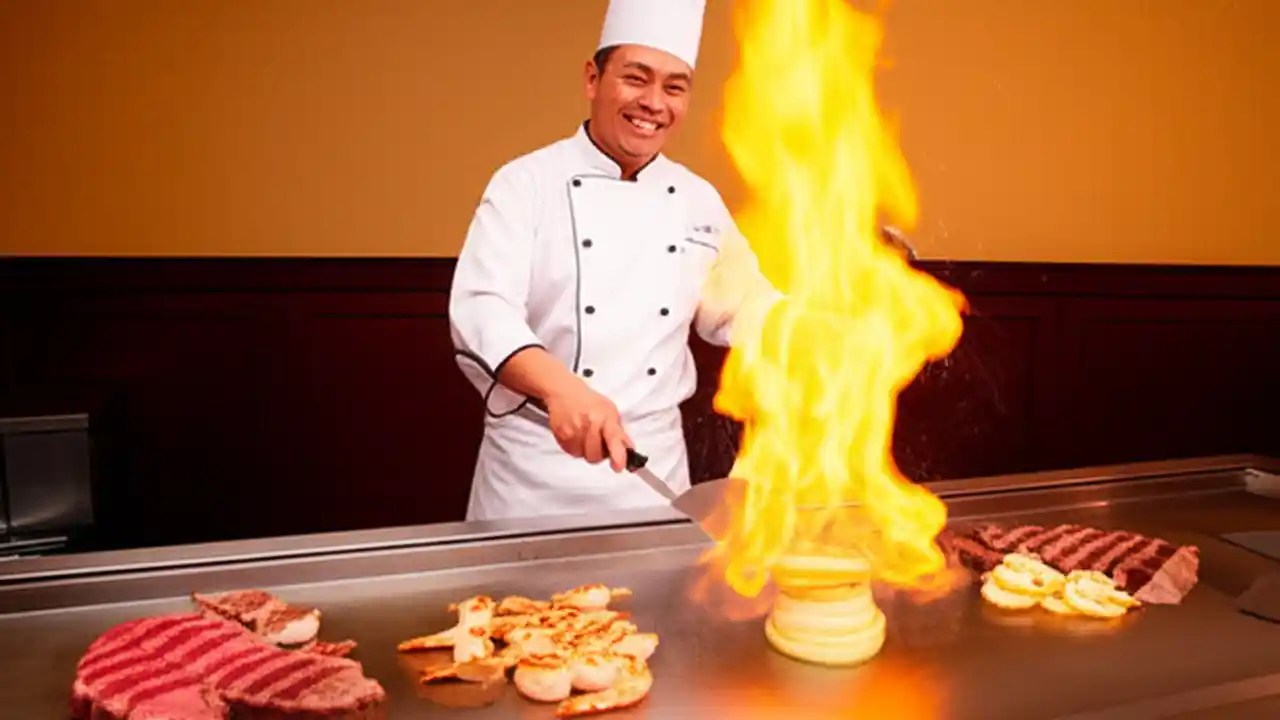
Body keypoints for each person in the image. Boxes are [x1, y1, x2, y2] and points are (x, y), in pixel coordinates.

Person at [449, 0, 781, 522]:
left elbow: (744, 306)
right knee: (520, 607)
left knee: (658, 604)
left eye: (674, 87)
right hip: (532, 475)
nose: (653, 103)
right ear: (592, 78)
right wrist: (563, 389)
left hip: (651, 476)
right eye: (636, 79)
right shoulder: (525, 184)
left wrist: (815, 330)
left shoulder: (696, 199)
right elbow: (482, 311)